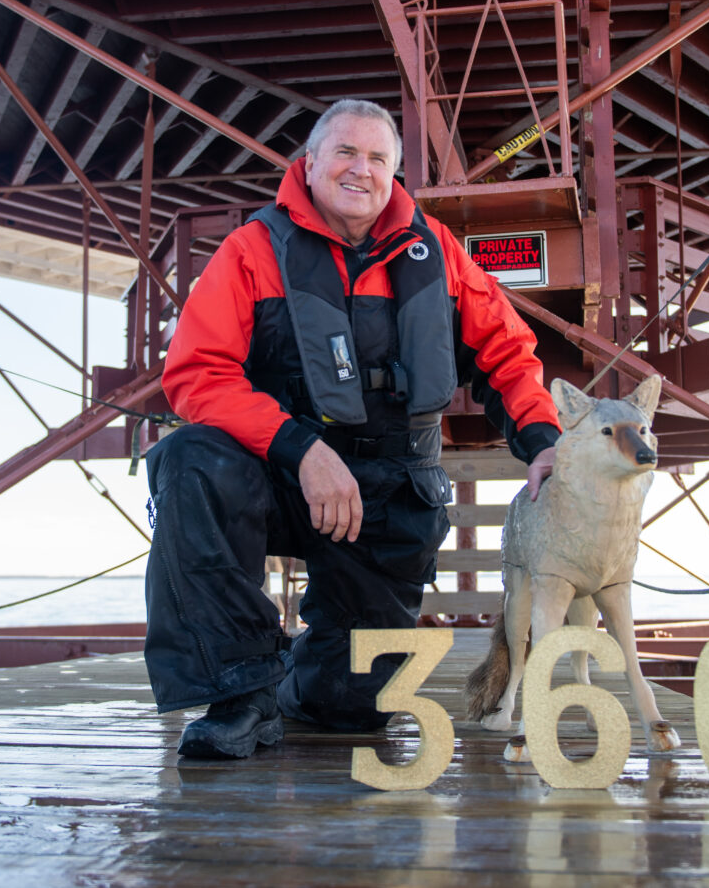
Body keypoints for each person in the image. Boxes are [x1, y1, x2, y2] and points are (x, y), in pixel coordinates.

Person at [145, 98, 562, 760]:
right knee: (190, 459)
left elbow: (507, 353)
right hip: (281, 475)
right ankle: (238, 694)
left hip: (390, 492)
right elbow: (198, 371)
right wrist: (300, 448)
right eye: (344, 151)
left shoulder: (440, 253)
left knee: (352, 707)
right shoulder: (250, 251)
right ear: (310, 163)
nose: (360, 169)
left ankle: (295, 676)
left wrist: (544, 442)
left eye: (376, 158)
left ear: (393, 173)